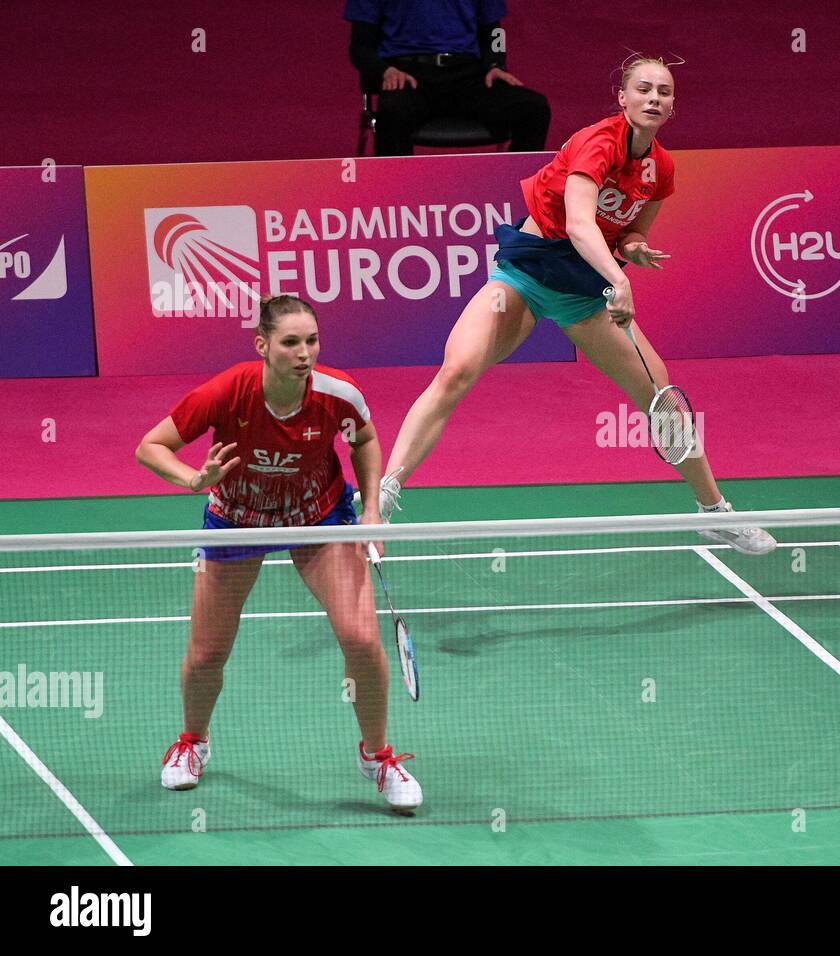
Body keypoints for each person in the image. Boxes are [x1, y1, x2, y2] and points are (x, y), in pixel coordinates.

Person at [366, 56, 775, 555]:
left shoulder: (661, 169)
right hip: (524, 276)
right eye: (643, 89)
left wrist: (634, 248)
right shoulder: (597, 143)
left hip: (580, 294)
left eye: (663, 92)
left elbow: (629, 231)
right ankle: (381, 499)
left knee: (661, 395)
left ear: (672, 106)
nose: (653, 98)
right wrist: (618, 283)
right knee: (457, 371)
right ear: (622, 98)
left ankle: (715, 513)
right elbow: (580, 224)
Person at [135, 295, 422, 813]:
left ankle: (377, 756)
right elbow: (151, 446)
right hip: (237, 520)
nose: (304, 352)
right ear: (263, 346)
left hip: (318, 515)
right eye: (291, 342)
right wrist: (194, 480)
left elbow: (366, 440)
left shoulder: (338, 392)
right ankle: (192, 742)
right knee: (206, 654)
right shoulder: (228, 391)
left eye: (312, 340)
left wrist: (373, 509)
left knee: (360, 638)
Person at [346, 0, 551, 155]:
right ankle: (398, 201)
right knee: (392, 112)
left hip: (467, 76)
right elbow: (360, 47)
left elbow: (493, 30)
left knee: (533, 108)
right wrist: (385, 70)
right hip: (408, 75)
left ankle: (517, 197)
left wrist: (496, 64)